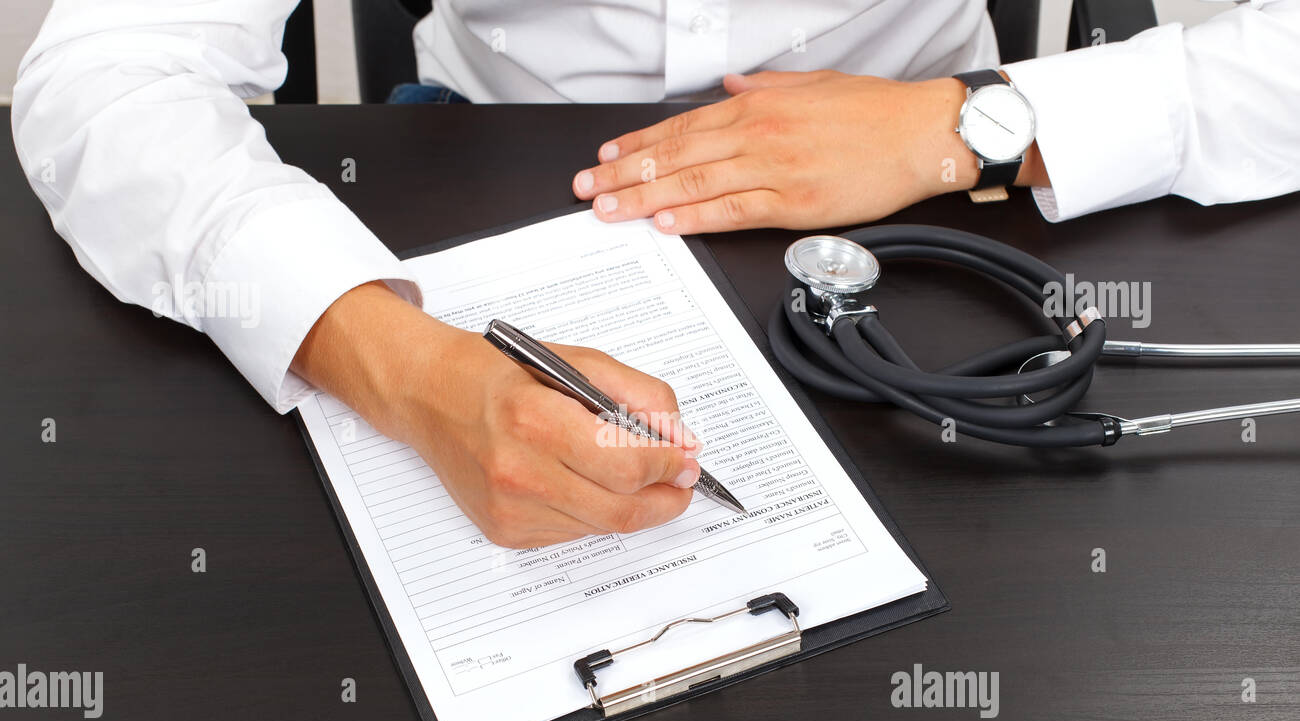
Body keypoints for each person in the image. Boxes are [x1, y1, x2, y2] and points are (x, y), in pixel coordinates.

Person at [13, 1, 1300, 548]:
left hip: (936, 184)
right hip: (485, 181)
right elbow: (101, 76)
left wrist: (958, 127)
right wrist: (394, 362)